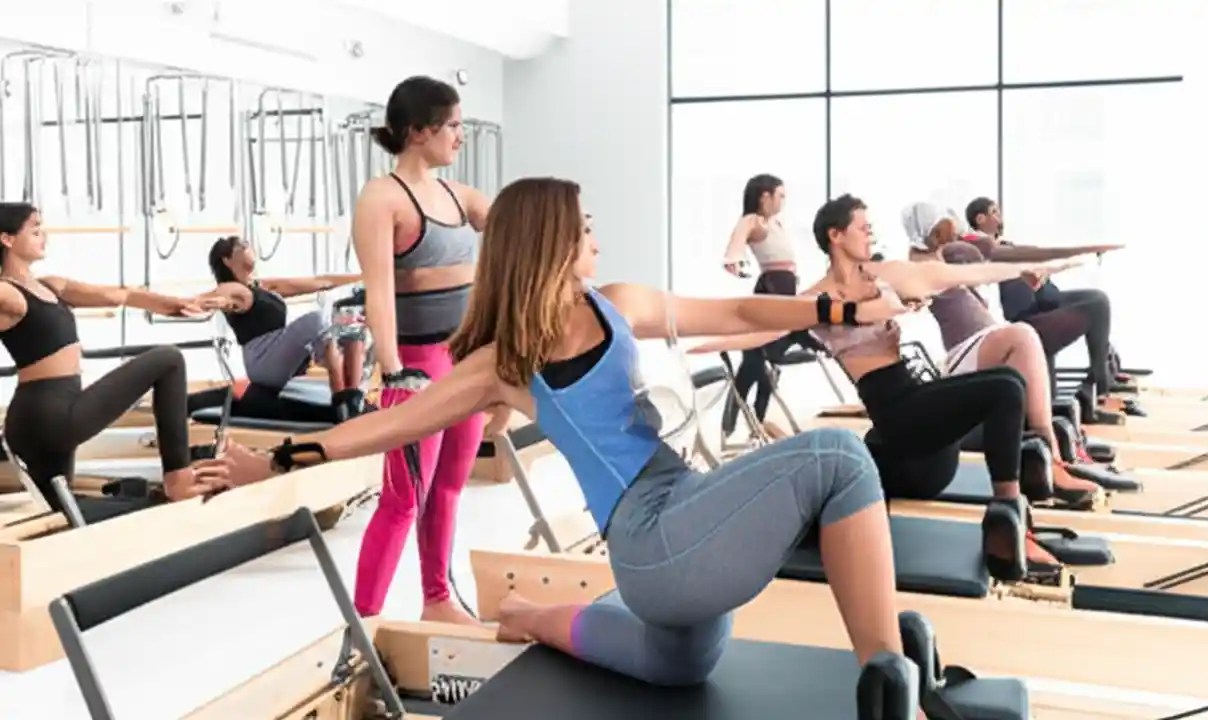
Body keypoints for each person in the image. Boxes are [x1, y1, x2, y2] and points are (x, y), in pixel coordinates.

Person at [219, 176, 923, 711]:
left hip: (676, 520)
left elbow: (739, 308)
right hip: (651, 539)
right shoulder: (508, 361)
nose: (597, 240)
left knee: (683, 662)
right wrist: (276, 459)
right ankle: (887, 678)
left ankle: (529, 615)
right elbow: (395, 423)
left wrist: (836, 306)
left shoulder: (615, 302)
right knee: (839, 457)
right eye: (585, 228)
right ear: (551, 241)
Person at [693, 195, 1089, 578]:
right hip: (898, 421)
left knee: (1007, 385)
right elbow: (757, 329)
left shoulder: (885, 276)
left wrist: (1028, 268)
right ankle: (1007, 519)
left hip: (919, 432)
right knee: (1006, 388)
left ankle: (1037, 472)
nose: (871, 234)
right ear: (836, 235)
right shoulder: (816, 300)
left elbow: (966, 273)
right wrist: (700, 345)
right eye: (863, 227)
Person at [350, 75, 493, 624]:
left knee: (450, 488)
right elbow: (378, 292)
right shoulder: (383, 197)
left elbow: (516, 227)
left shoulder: (461, 197)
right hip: (417, 367)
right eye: (453, 126)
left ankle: (437, 599)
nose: (460, 137)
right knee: (404, 497)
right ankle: (364, 621)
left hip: (465, 362)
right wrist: (392, 372)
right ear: (418, 131)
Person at [0, 202, 228, 522]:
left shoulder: (51, 286)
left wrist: (182, 304)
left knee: (66, 517)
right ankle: (177, 478)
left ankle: (145, 503)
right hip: (48, 416)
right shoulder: (7, 294)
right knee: (169, 360)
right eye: (35, 230)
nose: (44, 236)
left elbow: (123, 296)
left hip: (48, 417)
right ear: (7, 239)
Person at [901, 202, 1106, 504]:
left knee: (1027, 340)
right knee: (1023, 336)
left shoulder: (947, 255)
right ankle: (1051, 461)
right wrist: (1022, 268)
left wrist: (1035, 266)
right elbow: (985, 266)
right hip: (961, 354)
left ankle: (1051, 456)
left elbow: (987, 264)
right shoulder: (921, 263)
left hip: (980, 344)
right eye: (943, 226)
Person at [963, 197, 1127, 410]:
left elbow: (1046, 292)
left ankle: (1101, 374)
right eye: (994, 212)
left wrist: (1041, 279)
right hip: (1021, 322)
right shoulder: (977, 249)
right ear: (980, 218)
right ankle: (1099, 383)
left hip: (1037, 307)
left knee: (1097, 299)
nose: (999, 217)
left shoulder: (1005, 247)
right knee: (1097, 305)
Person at [203, 235, 366, 421]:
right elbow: (221, 297)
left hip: (278, 355)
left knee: (352, 326)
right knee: (318, 319)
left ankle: (352, 399)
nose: (249, 247)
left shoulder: (262, 286)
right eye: (242, 246)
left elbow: (322, 282)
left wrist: (366, 277)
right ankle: (339, 403)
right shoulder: (232, 288)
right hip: (262, 361)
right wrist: (207, 303)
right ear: (227, 260)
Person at [719, 174, 818, 441]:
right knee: (759, 359)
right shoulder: (753, 221)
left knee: (759, 361)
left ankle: (751, 424)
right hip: (772, 289)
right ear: (765, 197)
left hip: (785, 288)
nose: (783, 201)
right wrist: (734, 262)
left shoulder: (776, 223)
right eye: (780, 195)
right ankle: (743, 423)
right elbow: (735, 246)